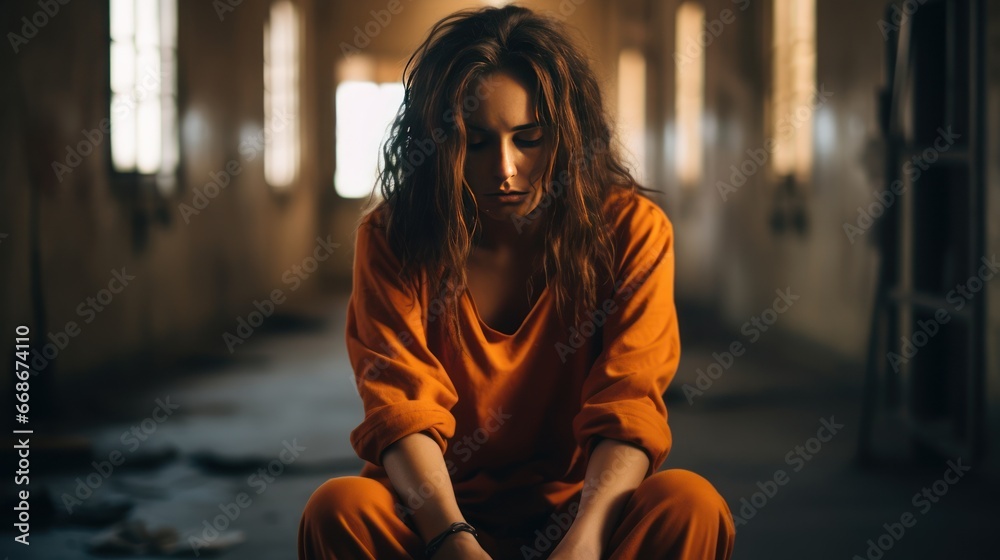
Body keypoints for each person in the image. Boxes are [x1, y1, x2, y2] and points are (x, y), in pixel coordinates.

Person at [299, 5, 735, 559]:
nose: (504, 169)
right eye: (475, 143)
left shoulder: (632, 231)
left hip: (581, 510)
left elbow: (629, 407)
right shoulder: (393, 237)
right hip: (434, 512)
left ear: (569, 133)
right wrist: (451, 539)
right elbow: (400, 411)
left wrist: (587, 538)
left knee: (689, 503)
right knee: (338, 508)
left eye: (528, 138)